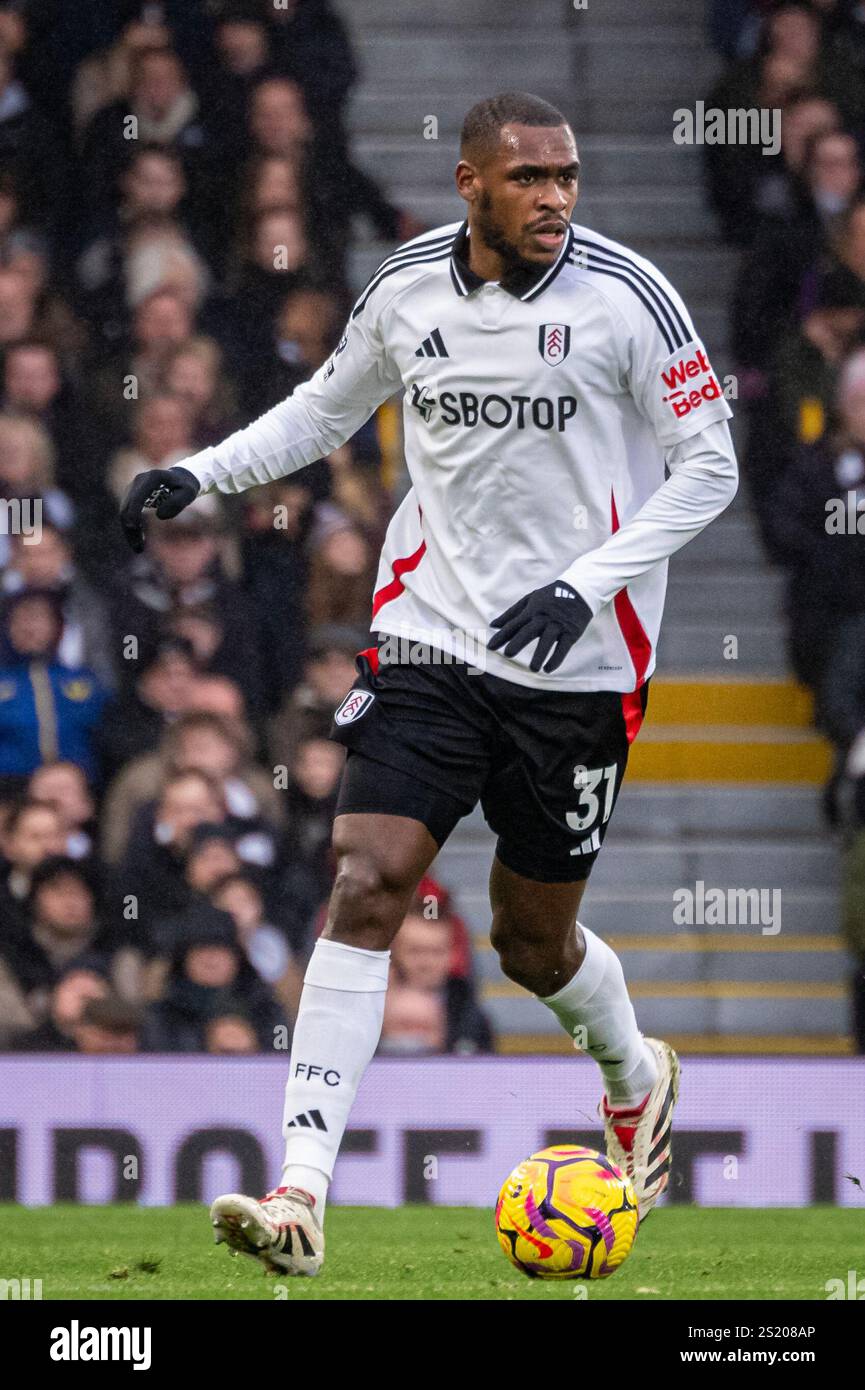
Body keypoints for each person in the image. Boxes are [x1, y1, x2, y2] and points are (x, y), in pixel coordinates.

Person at [120, 91, 738, 1276]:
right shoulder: (406, 287)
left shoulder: (627, 297)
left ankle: (634, 1075)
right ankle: (300, 1195)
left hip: (581, 662)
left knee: (528, 942)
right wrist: (196, 473)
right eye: (529, 179)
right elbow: (325, 410)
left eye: (566, 176)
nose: (555, 197)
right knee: (364, 877)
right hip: (431, 639)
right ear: (469, 184)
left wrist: (585, 583)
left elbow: (708, 468)